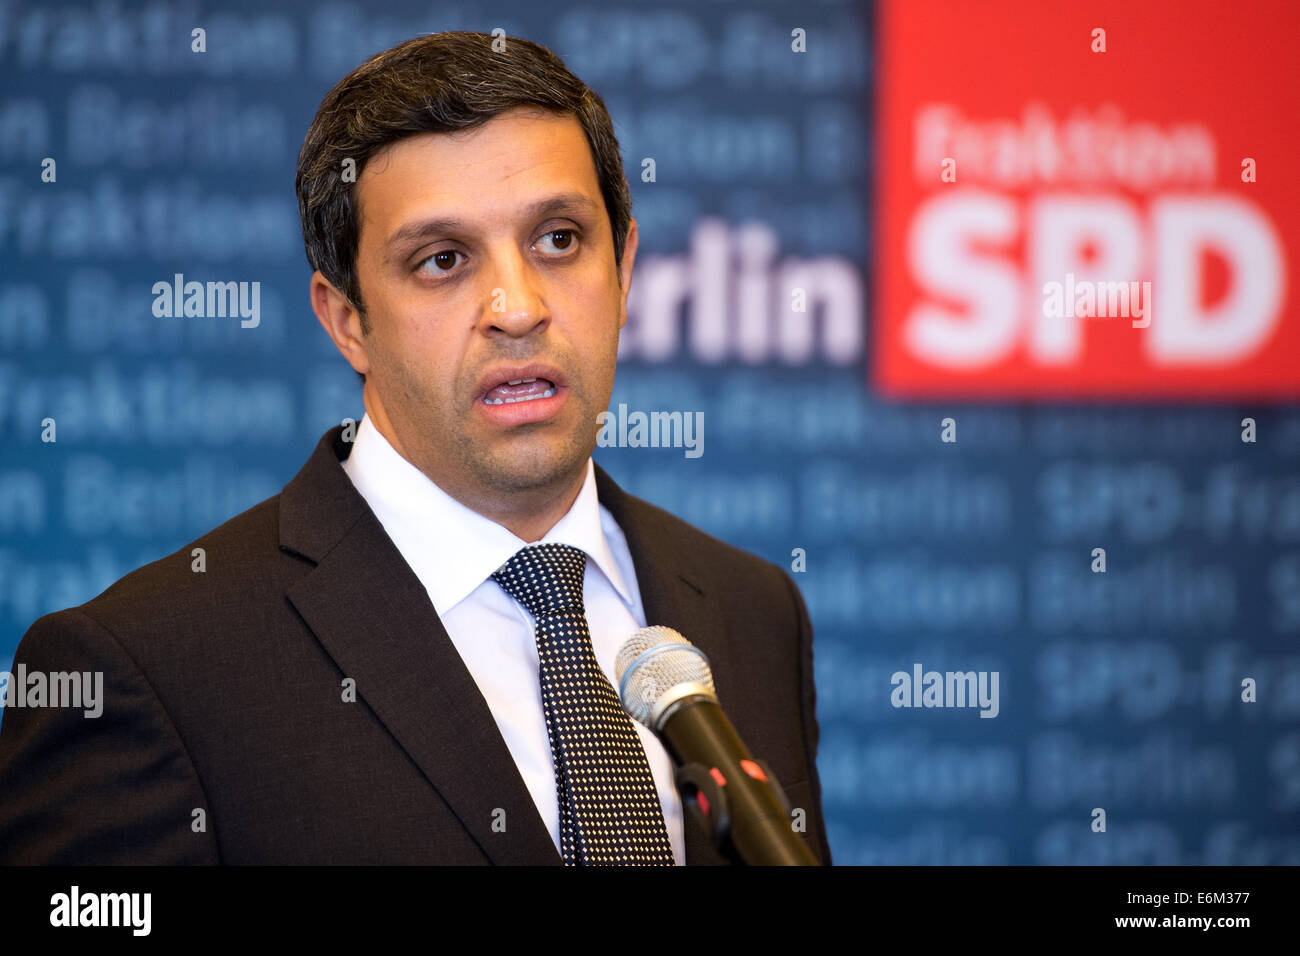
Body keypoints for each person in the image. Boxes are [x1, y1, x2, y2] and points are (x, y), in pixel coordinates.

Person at [0, 31, 830, 866]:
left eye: (559, 239)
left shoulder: (752, 612)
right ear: (347, 321)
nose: (517, 307)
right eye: (442, 260)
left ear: (626, 270)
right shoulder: (150, 670)